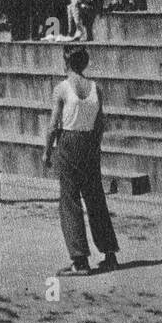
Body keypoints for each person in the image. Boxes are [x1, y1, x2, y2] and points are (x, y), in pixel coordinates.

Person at [42, 45, 119, 276]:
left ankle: (79, 259)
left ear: (67, 62)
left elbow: (54, 124)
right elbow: (100, 123)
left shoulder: (63, 88)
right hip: (90, 143)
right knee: (95, 198)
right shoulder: (96, 88)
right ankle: (109, 253)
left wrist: (47, 150)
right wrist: (94, 145)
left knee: (70, 200)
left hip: (69, 141)